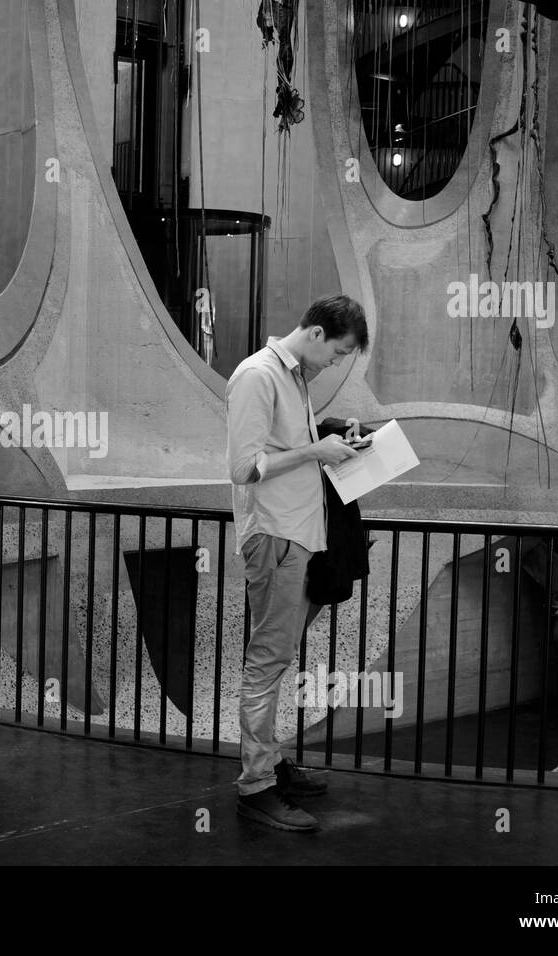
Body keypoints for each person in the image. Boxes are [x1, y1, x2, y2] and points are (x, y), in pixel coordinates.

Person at [225, 293, 369, 832]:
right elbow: (244, 468)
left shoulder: (295, 378)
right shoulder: (258, 376)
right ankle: (257, 785)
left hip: (300, 536)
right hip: (277, 537)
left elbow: (283, 444)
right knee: (267, 662)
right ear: (314, 333)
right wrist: (316, 452)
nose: (336, 361)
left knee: (276, 657)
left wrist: (327, 434)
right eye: (338, 350)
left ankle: (270, 765)